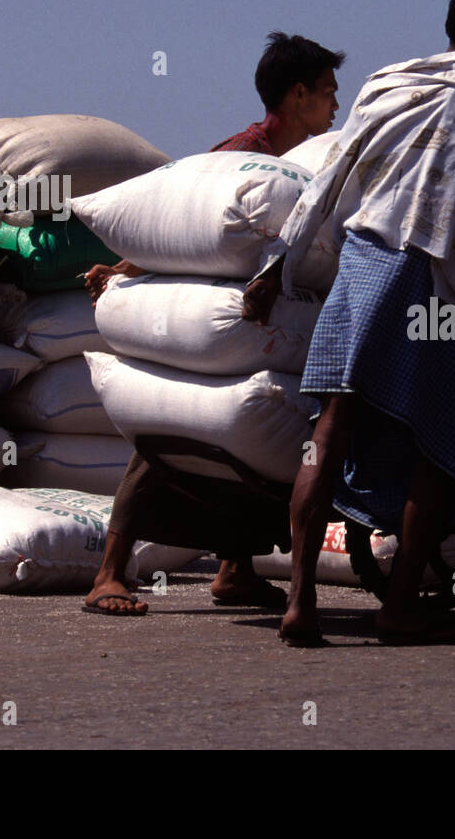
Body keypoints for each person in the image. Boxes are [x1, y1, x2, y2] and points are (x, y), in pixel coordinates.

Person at [245, 0, 455, 646]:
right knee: (438, 447)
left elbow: (330, 176)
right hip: (430, 284)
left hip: (359, 266)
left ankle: (300, 599)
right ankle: (400, 601)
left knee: (327, 433)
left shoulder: (386, 82)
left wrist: (276, 266)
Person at [81, 32, 344, 616]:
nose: (335, 107)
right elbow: (182, 226)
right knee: (170, 426)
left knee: (250, 418)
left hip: (255, 317)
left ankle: (233, 568)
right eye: (327, 93)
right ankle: (108, 573)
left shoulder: (311, 166)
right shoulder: (243, 157)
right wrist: (125, 267)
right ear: (297, 95)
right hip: (211, 311)